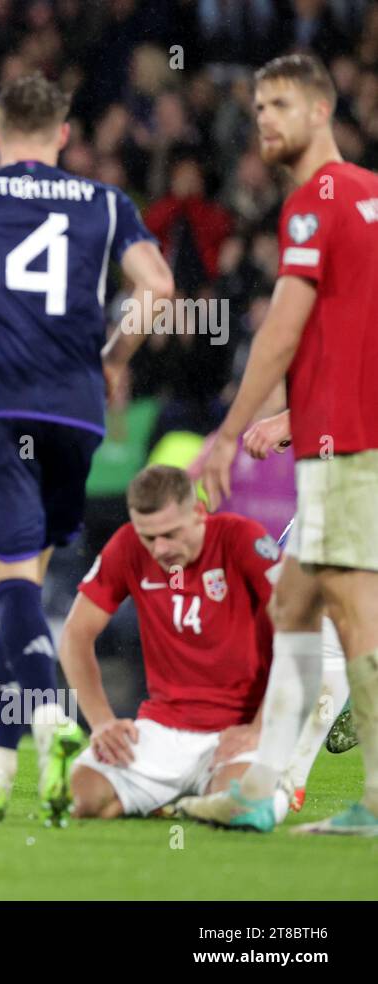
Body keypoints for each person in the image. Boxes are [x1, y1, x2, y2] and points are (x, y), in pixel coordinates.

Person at [0, 74, 175, 824]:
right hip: (76, 412)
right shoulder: (106, 202)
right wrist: (116, 355)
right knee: (26, 579)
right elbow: (159, 286)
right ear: (65, 135)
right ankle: (1, 765)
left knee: (12, 587)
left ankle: (50, 723)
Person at [192, 53, 378, 836]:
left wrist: (229, 431)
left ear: (318, 111)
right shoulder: (372, 197)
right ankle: (268, 786)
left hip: (349, 452)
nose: (262, 118)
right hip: (344, 439)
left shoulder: (315, 203)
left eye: (279, 104)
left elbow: (285, 328)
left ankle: (367, 798)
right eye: (257, 105)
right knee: (295, 602)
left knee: (353, 619)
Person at [62, 466, 280, 818]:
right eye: (149, 537)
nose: (160, 549)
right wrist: (101, 721)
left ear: (198, 512)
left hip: (238, 729)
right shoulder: (128, 546)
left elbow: (299, 633)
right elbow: (75, 634)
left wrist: (261, 728)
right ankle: (175, 802)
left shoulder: (241, 538)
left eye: (170, 534)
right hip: (162, 728)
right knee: (85, 797)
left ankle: (164, 801)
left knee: (241, 808)